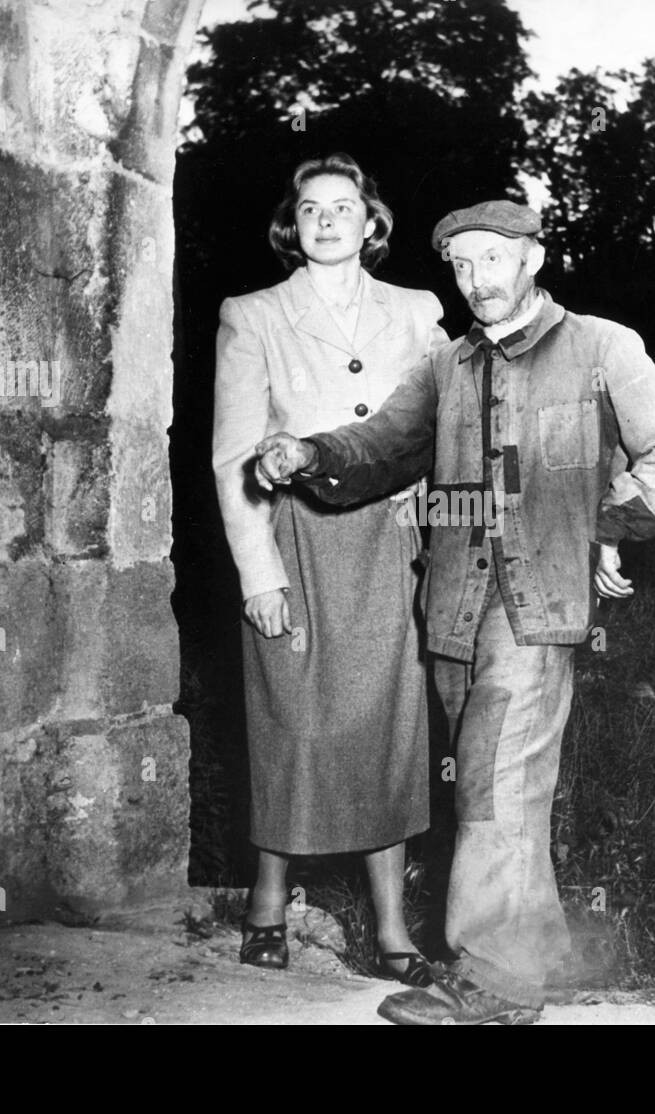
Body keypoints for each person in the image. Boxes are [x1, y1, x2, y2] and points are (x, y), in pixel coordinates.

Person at [254, 200, 655, 1024]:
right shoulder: (447, 366)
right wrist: (310, 454)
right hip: (454, 610)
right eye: (460, 266)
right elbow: (384, 447)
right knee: (498, 791)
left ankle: (494, 981)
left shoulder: (602, 347)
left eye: (492, 261)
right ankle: (532, 959)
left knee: (494, 787)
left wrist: (609, 525)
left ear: (533, 258)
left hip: (535, 611)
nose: (475, 281)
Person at [211, 153, 448, 986]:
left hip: (390, 544)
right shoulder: (253, 314)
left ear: (371, 222)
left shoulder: (420, 312)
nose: (327, 219)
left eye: (343, 206)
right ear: (292, 225)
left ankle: (392, 930)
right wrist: (258, 574)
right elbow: (233, 454)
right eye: (310, 208)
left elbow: (438, 432)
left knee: (389, 730)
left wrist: (429, 514)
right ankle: (267, 904)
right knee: (293, 723)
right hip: (299, 543)